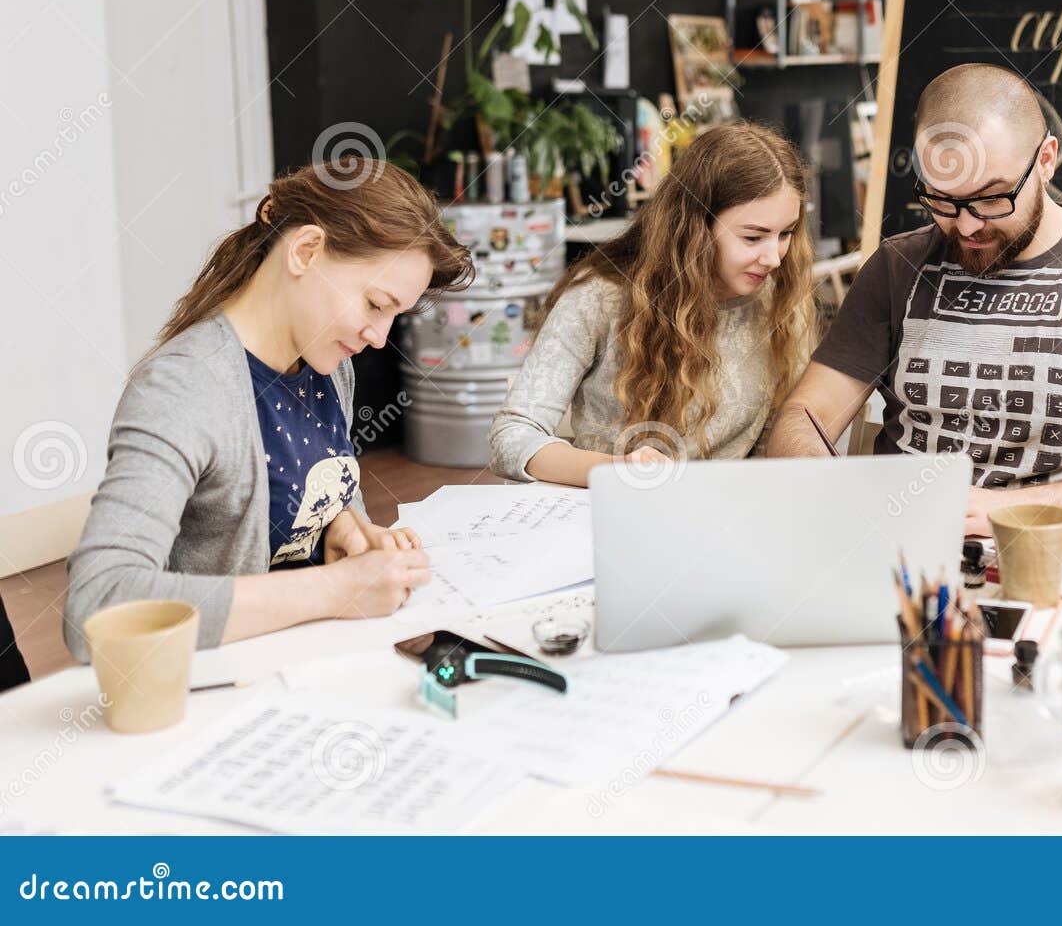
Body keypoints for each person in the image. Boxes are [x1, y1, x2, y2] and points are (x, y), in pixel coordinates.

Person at [64, 158, 472, 662]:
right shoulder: (184, 387)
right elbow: (96, 606)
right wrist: (335, 589)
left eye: (394, 315)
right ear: (305, 251)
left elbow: (303, 497)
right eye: (374, 304)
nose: (379, 337)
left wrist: (341, 526)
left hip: (311, 664)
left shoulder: (327, 364)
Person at [768, 63, 1062, 533]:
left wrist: (1004, 510)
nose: (967, 226)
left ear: (1045, 160)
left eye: (992, 200)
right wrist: (823, 477)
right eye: (942, 201)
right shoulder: (896, 268)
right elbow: (803, 416)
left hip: (1050, 558)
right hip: (901, 549)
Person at [490, 121, 815, 486]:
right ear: (694, 228)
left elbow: (774, 440)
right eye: (753, 237)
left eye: (786, 233)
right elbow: (512, 436)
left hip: (723, 519)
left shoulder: (781, 300)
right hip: (609, 513)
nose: (774, 258)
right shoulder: (600, 297)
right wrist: (617, 470)